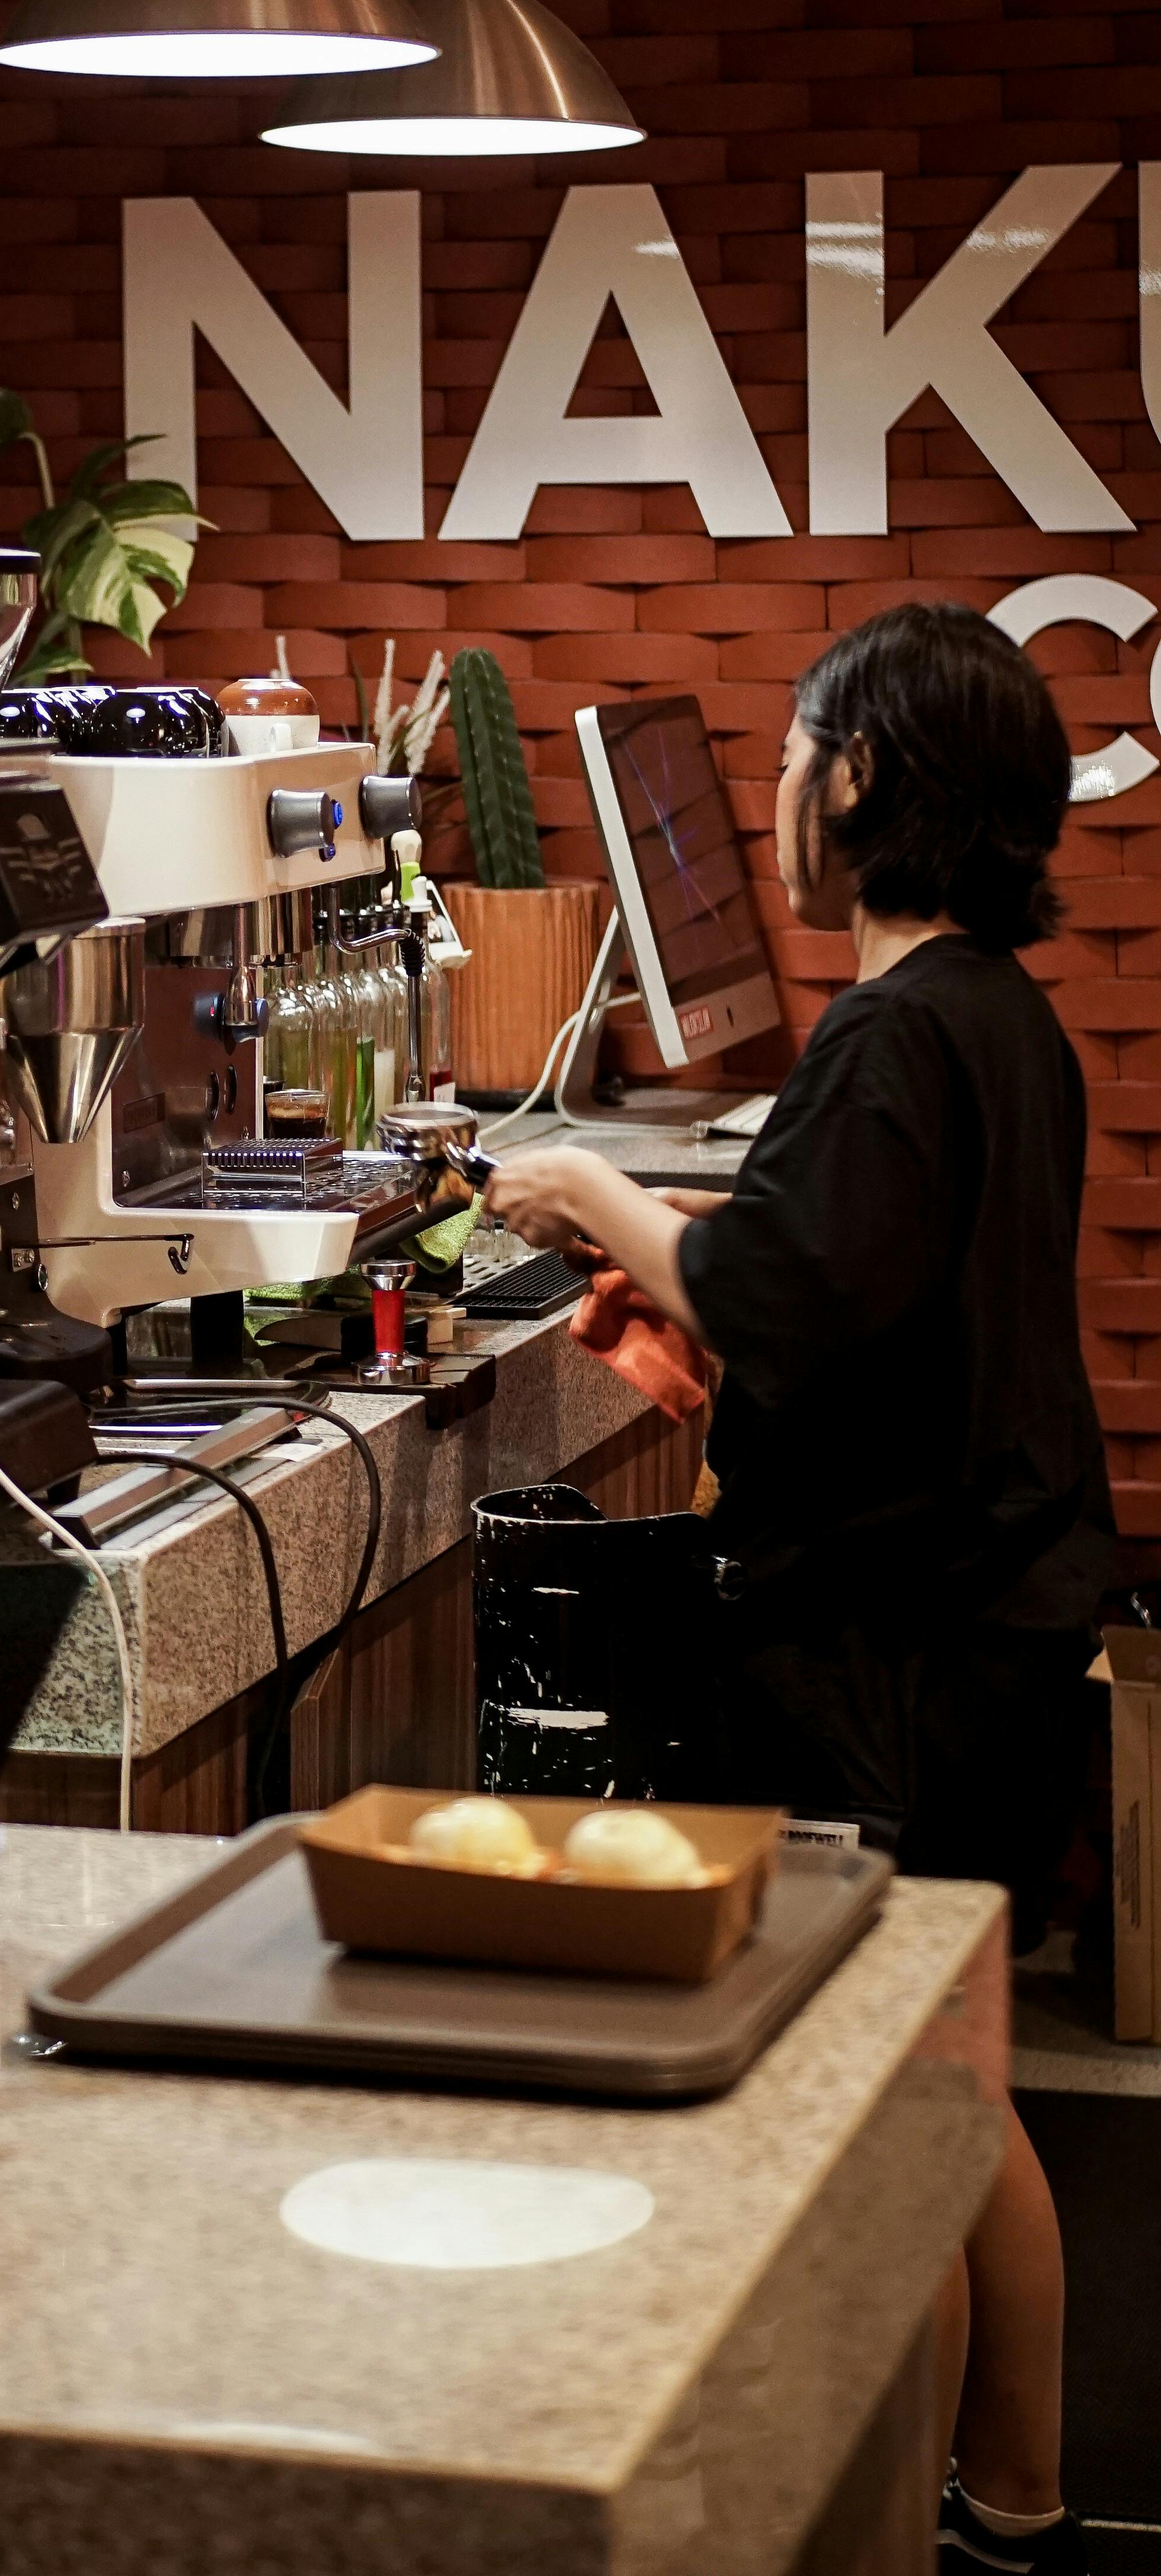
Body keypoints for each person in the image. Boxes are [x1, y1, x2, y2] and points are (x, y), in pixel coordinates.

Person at [482, 603, 1116, 2576]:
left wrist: (590, 1197)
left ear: (859, 784)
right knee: (955, 2087)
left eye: (790, 753)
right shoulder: (997, 1014)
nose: (765, 795)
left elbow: (793, 1296)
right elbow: (855, 1305)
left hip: (890, 1649)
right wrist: (702, 1296)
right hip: (1004, 1621)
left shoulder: (891, 1032)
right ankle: (1013, 2507)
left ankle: (878, 2538)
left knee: (872, 2131)